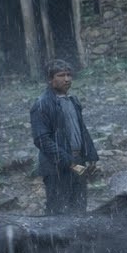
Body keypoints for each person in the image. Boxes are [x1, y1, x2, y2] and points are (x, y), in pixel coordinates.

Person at [30, 59, 99, 215]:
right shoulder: (42, 104)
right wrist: (69, 162)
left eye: (69, 75)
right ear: (50, 79)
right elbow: (42, 140)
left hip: (78, 162)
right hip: (56, 167)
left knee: (79, 210)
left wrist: (91, 155)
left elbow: (82, 129)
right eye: (61, 75)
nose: (67, 79)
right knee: (58, 213)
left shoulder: (73, 101)